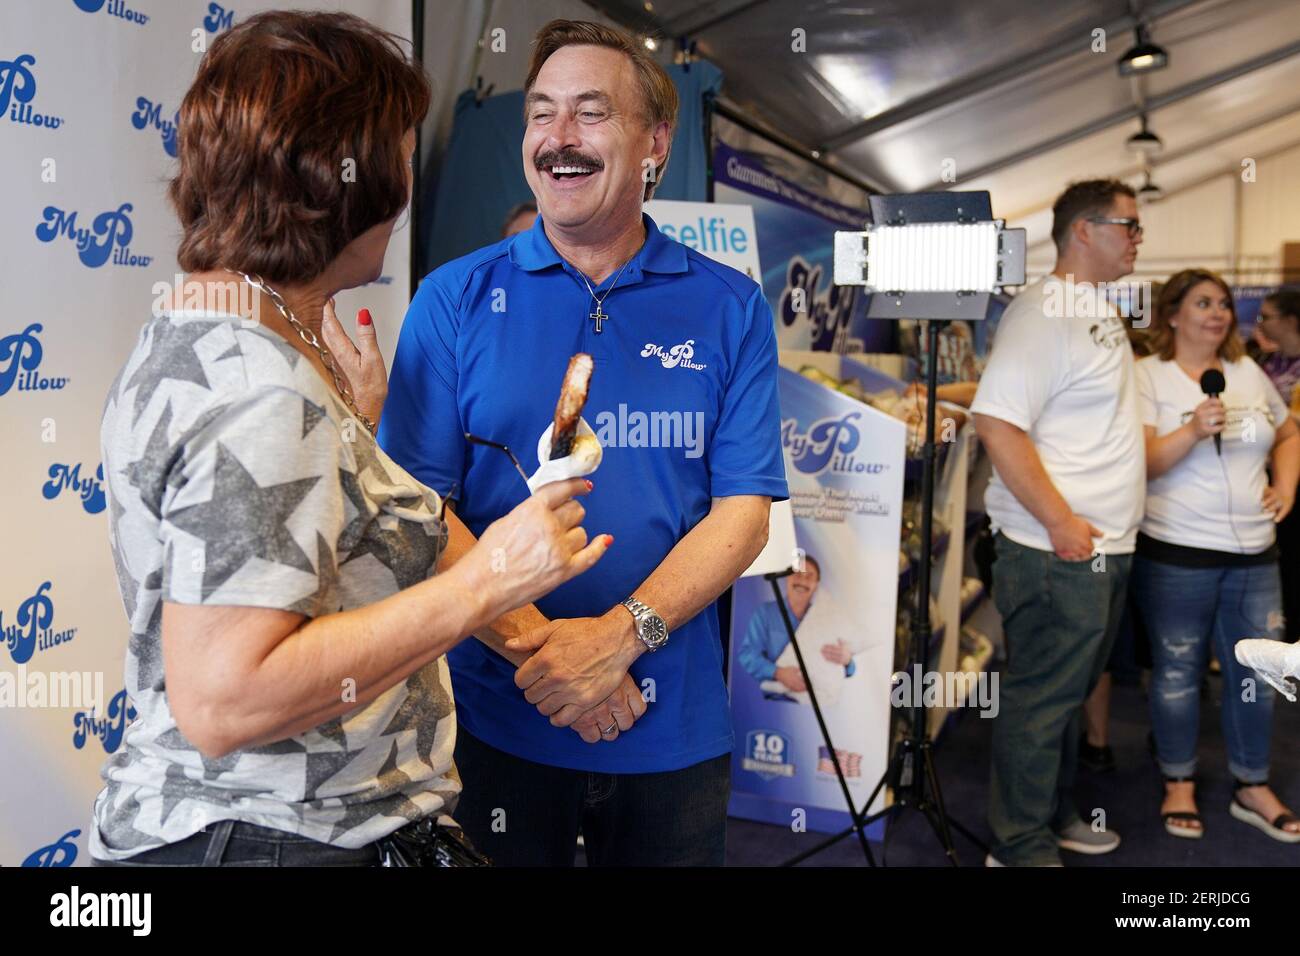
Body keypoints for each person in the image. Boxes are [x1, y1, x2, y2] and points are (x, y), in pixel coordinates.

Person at [90, 11, 606, 867]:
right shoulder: (260, 386)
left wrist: (352, 434)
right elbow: (227, 698)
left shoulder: (234, 330)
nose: (402, 192)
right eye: (397, 157)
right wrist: (485, 581)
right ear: (338, 182)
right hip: (274, 842)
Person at [379, 18, 786, 866]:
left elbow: (743, 514)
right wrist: (550, 658)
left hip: (670, 731)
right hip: (497, 719)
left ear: (655, 145)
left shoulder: (730, 306)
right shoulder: (453, 299)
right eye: (541, 113)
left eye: (590, 112)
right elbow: (418, 508)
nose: (558, 137)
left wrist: (619, 639)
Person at [971, 179, 1146, 866]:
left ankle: (1050, 814)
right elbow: (996, 422)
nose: (1137, 239)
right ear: (1083, 230)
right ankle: (1017, 844)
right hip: (1056, 549)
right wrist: (1062, 521)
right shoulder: (1044, 311)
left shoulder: (1093, 309)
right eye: (1128, 225)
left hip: (1100, 545)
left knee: (1066, 696)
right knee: (1041, 701)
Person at [1131, 269, 1299, 842]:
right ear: (1173, 313)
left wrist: (1287, 487)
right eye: (1203, 303)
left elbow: (1288, 433)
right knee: (1177, 671)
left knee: (1260, 673)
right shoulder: (1146, 376)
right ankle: (1177, 780)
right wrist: (1191, 432)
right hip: (1177, 552)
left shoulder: (1247, 371)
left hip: (1256, 553)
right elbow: (1142, 462)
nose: (1218, 313)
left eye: (1224, 303)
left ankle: (1252, 784)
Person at [737, 556, 855, 698]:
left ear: (816, 584)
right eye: (797, 574)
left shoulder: (825, 619)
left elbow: (850, 669)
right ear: (787, 577)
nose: (802, 581)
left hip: (817, 702)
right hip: (774, 702)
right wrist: (778, 672)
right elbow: (747, 655)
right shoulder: (765, 613)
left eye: (809, 576)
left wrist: (847, 660)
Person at [1256, 289, 1300, 642]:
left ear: (1289, 320)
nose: (1260, 324)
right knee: (1284, 560)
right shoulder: (1266, 364)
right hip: (1274, 473)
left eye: (1266, 317)